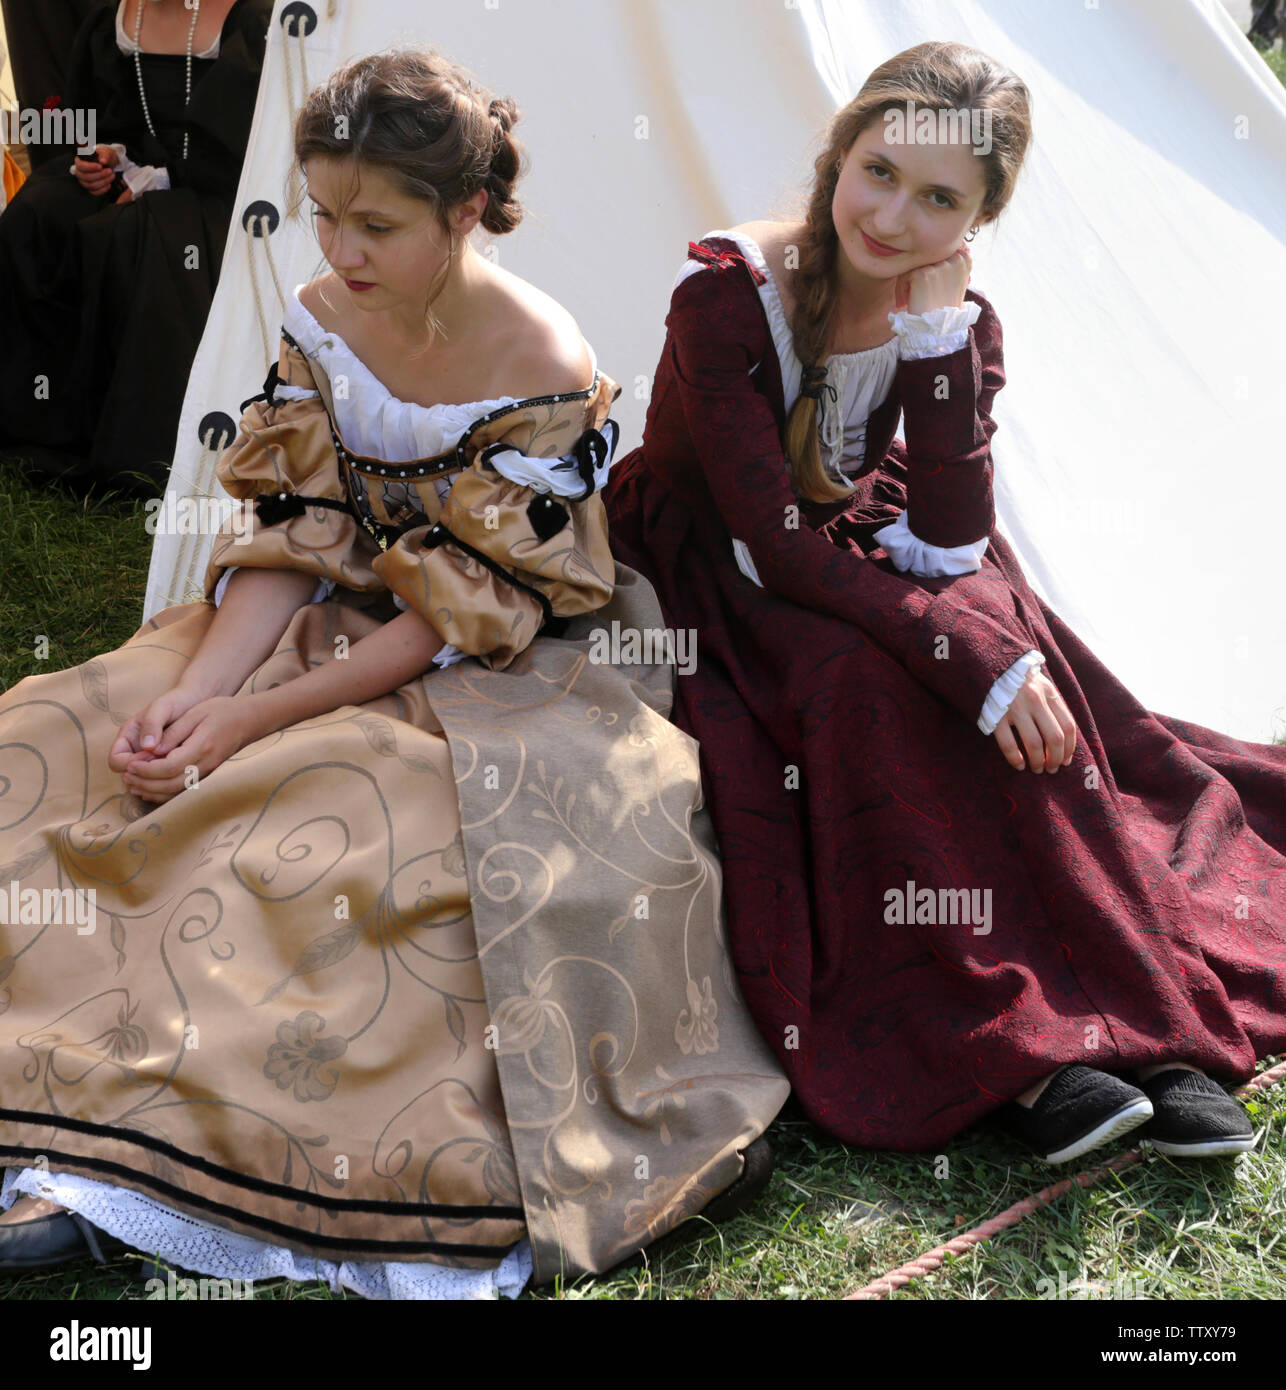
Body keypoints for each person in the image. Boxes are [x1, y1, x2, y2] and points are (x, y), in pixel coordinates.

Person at [0, 49, 789, 1298]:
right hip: (325, 614)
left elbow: (455, 612)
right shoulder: (322, 311)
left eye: (375, 223)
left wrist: (250, 719)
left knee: (326, 826)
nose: (341, 247)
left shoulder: (537, 354)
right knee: (53, 732)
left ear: (464, 212)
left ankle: (136, 1167)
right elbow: (294, 535)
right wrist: (204, 689)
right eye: (324, 213)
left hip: (496, 664)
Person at [603, 40, 1286, 1169]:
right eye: (878, 171)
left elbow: (951, 529)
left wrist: (935, 338)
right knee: (866, 685)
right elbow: (771, 544)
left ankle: (1149, 1022)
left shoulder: (957, 318)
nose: (891, 215)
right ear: (839, 155)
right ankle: (1019, 1047)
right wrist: (953, 659)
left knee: (1006, 636)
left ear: (976, 217)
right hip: (721, 568)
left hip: (868, 542)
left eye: (936, 200)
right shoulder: (725, 299)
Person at [0, 0, 272, 496]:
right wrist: (101, 156)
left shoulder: (249, 23)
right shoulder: (112, 22)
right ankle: (37, 419)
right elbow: (95, 124)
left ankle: (136, 450)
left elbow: (260, 143)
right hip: (131, 177)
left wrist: (169, 176)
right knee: (32, 217)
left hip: (217, 193)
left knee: (126, 234)